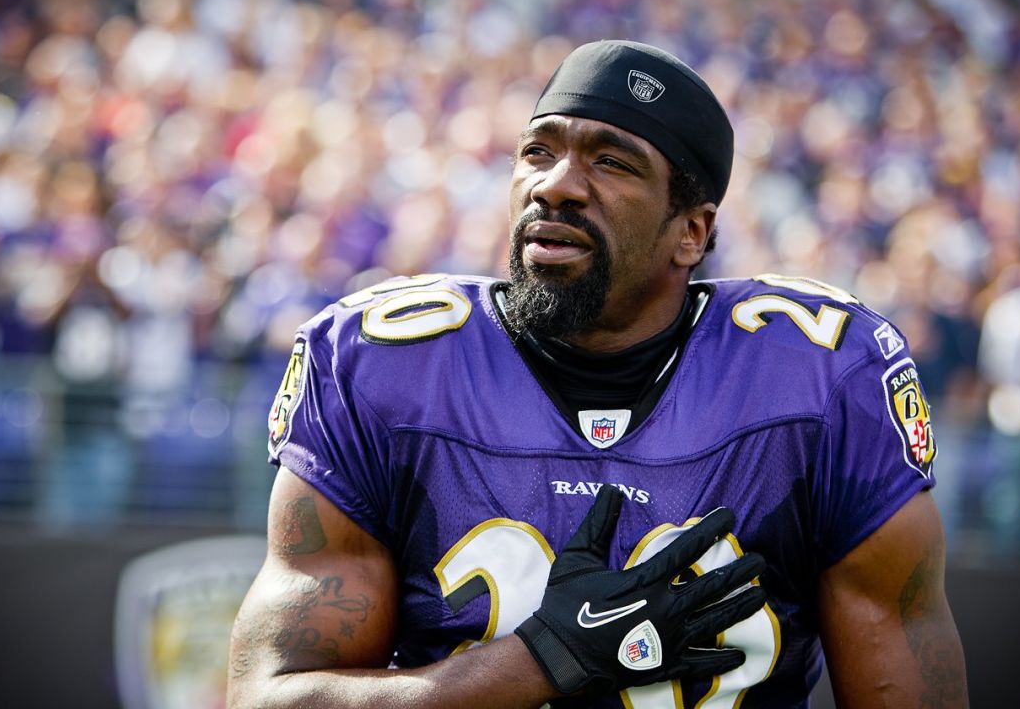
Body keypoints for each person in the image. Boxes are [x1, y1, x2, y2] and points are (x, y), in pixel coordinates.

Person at [228, 40, 968, 708]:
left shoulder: (822, 375)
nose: (556, 185)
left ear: (691, 233)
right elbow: (269, 699)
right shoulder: (384, 364)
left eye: (612, 163)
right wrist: (543, 659)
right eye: (537, 151)